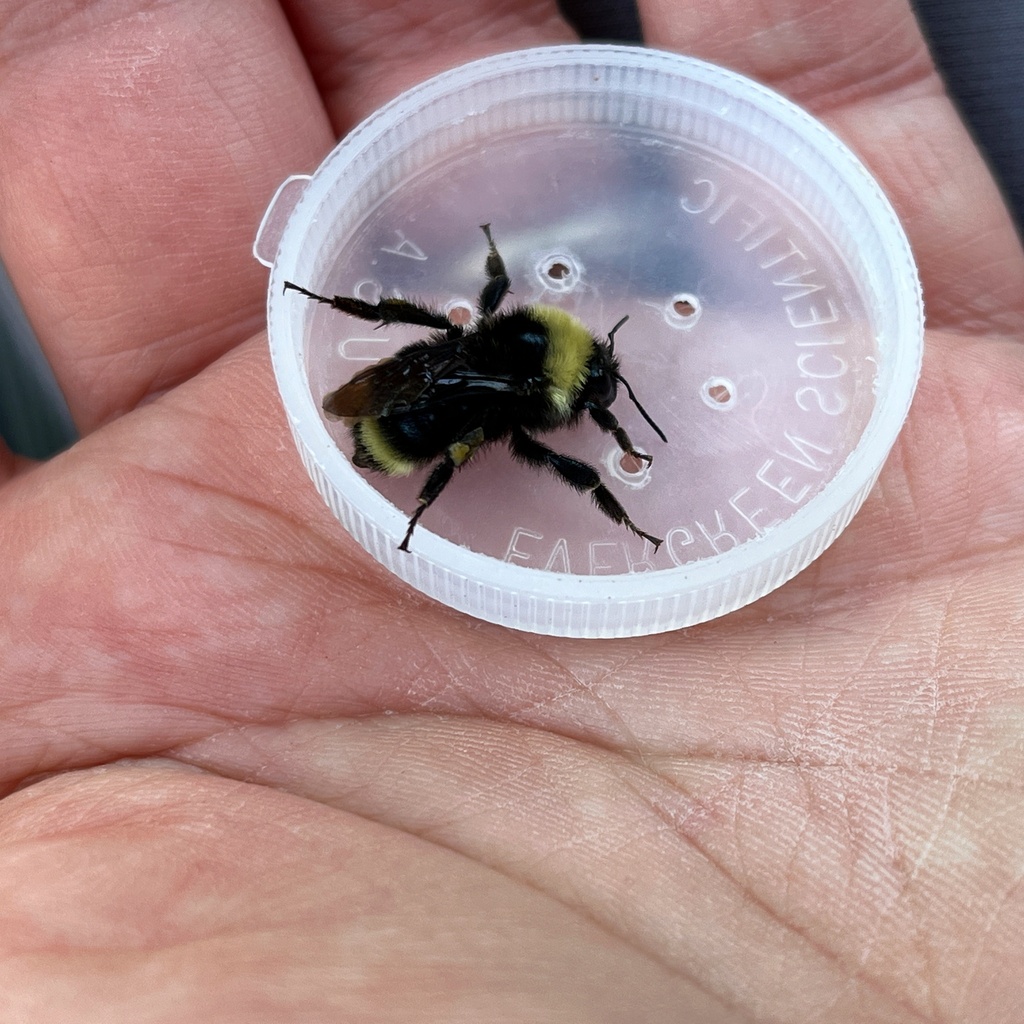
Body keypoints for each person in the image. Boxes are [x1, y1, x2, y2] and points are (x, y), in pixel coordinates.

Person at [1, 1, 1021, 1019]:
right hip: (399, 431)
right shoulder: (549, 386)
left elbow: (498, 325)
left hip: (396, 407)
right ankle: (436, 477)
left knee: (455, 379)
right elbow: (557, 428)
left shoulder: (521, 336)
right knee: (512, 441)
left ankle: (379, 412)